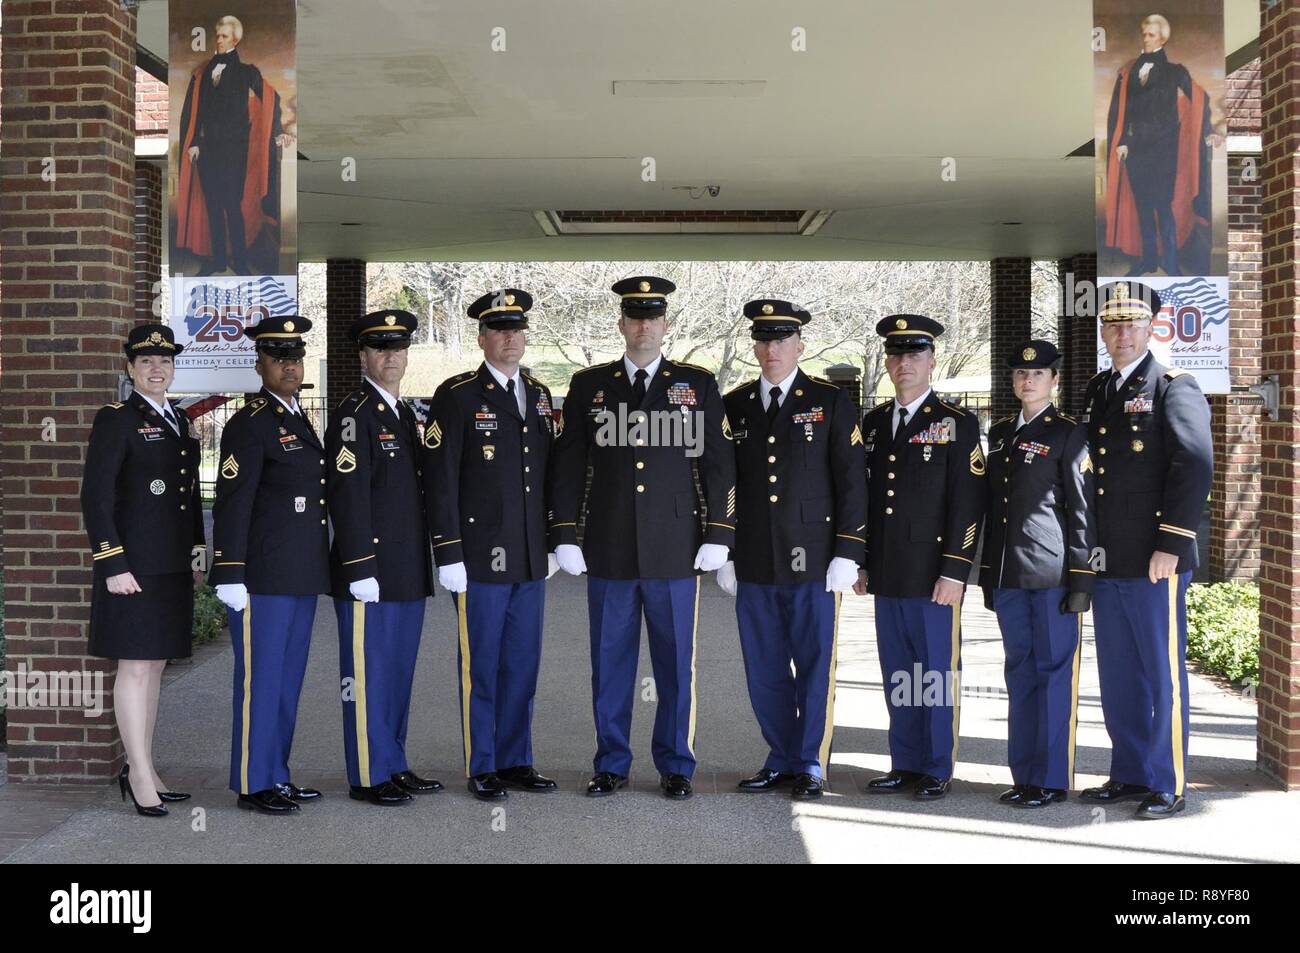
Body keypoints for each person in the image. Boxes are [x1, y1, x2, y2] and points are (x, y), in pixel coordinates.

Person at [548, 276, 736, 800]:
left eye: (653, 317)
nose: (644, 325)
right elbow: (568, 465)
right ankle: (611, 762)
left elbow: (720, 465)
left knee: (676, 664)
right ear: (622, 324)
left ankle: (677, 763)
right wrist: (564, 533)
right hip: (608, 547)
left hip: (676, 548)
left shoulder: (696, 385)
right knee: (610, 663)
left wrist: (720, 532)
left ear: (666, 325)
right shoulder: (590, 385)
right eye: (635, 317)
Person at [717, 300, 865, 800]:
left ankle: (810, 761)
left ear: (800, 346)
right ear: (754, 347)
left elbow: (852, 480)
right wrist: (728, 547)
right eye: (763, 340)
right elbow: (723, 482)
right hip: (757, 559)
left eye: (781, 340)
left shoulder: (829, 401)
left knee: (815, 663)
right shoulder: (734, 405)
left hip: (816, 561)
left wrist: (849, 550)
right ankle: (779, 757)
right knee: (765, 666)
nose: (771, 349)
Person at [1079, 282, 1212, 819]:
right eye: (1112, 325)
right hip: (1109, 556)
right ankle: (1130, 772)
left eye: (1131, 324)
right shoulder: (1099, 388)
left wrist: (1172, 545)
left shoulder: (1173, 386)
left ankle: (1168, 781)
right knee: (1119, 672)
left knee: (1161, 671)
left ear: (1152, 328)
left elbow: (1194, 465)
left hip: (1156, 560)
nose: (1121, 334)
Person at [422, 289, 560, 801]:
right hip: (478, 556)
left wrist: (551, 541)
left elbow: (547, 475)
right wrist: (449, 552)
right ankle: (482, 764)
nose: (510, 337)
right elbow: (440, 480)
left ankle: (516, 758)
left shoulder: (541, 394)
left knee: (522, 663)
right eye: (499, 329)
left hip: (528, 555)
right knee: (480, 664)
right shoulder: (456, 395)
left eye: (517, 328)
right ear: (481, 338)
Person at [853, 315, 985, 800]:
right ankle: (904, 762)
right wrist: (862, 560)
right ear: (888, 363)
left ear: (932, 362)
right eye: (896, 355)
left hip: (934, 576)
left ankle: (936, 766)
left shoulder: (955, 422)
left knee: (936, 673)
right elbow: (863, 499)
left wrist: (956, 569)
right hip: (888, 573)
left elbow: (968, 502)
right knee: (899, 673)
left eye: (914, 355)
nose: (904, 363)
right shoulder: (872, 425)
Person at [80, 323, 206, 817]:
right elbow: (96, 496)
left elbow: (189, 494)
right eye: (148, 361)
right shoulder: (116, 419)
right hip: (130, 566)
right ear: (130, 368)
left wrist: (196, 549)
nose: (158, 369)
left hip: (169, 564)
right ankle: (135, 772)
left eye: (166, 361)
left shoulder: (176, 419)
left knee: (153, 666)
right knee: (134, 667)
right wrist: (111, 562)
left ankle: (145, 766)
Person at [210, 315, 328, 814]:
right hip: (260, 576)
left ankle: (277, 773)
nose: (290, 367)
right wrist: (229, 570)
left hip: (299, 572)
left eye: (296, 359)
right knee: (261, 681)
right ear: (259, 363)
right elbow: (232, 501)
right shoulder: (250, 423)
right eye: (280, 359)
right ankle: (253, 782)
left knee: (286, 680)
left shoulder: (296, 416)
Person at [326, 309, 439, 806]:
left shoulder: (404, 413)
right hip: (368, 571)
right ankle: (368, 774)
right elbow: (347, 496)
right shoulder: (354, 414)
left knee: (397, 672)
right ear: (363, 356)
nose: (391, 356)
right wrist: (358, 567)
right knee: (367, 675)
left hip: (406, 568)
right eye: (380, 348)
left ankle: (393, 761)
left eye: (398, 348)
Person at [979, 340, 1095, 809]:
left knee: (1052, 676)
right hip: (1009, 576)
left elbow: (1083, 510)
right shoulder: (1003, 433)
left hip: (1052, 577)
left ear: (1054, 381)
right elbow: (994, 508)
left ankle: (1050, 779)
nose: (1028, 381)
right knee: (1020, 674)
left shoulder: (1070, 433)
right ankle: (1024, 775)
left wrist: (1082, 578)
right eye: (1021, 374)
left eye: (1038, 374)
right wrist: (989, 575)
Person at [175, 14, 292, 276]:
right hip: (207, 151)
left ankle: (238, 261)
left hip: (234, 152)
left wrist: (277, 132)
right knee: (213, 206)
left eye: (224, 36)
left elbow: (271, 99)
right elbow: (198, 112)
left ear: (235, 40)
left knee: (232, 206)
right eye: (217, 34)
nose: (218, 39)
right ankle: (217, 261)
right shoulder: (204, 72)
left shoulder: (247, 72)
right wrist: (194, 143)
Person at [1104, 13, 1216, 277]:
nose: (1146, 38)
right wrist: (1122, 141)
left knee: (1163, 208)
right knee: (1143, 207)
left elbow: (1201, 98)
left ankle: (1172, 262)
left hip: (1164, 152)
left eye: (1151, 34)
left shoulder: (1176, 71)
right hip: (1136, 151)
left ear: (1162, 38)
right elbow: (1122, 112)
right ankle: (1148, 261)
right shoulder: (1129, 71)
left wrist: (1209, 130)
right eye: (1144, 33)